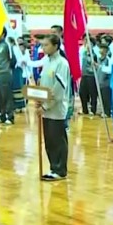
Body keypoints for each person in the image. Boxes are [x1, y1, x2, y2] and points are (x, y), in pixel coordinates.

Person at [38, 34, 71, 181]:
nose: (43, 47)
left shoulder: (62, 63)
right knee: (49, 140)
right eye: (42, 45)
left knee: (57, 140)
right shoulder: (47, 62)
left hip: (56, 109)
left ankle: (60, 169)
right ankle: (53, 167)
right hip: (45, 108)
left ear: (55, 46)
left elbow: (59, 89)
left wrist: (46, 106)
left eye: (46, 45)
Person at [0, 33, 15, 125]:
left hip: (5, 74)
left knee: (6, 95)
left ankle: (10, 117)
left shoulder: (7, 45)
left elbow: (13, 60)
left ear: (3, 34)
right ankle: (2, 116)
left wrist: (7, 69)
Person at [79, 36, 99, 116]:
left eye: (89, 43)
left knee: (93, 93)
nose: (87, 45)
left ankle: (93, 110)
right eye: (86, 43)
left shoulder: (95, 54)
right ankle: (85, 110)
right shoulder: (83, 52)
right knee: (82, 92)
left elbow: (97, 65)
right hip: (84, 75)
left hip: (92, 76)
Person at [97, 44, 111, 116]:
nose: (101, 50)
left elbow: (109, 71)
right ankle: (103, 111)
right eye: (100, 48)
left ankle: (107, 112)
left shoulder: (108, 60)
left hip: (106, 83)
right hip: (99, 82)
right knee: (101, 98)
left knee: (106, 98)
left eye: (103, 49)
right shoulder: (98, 59)